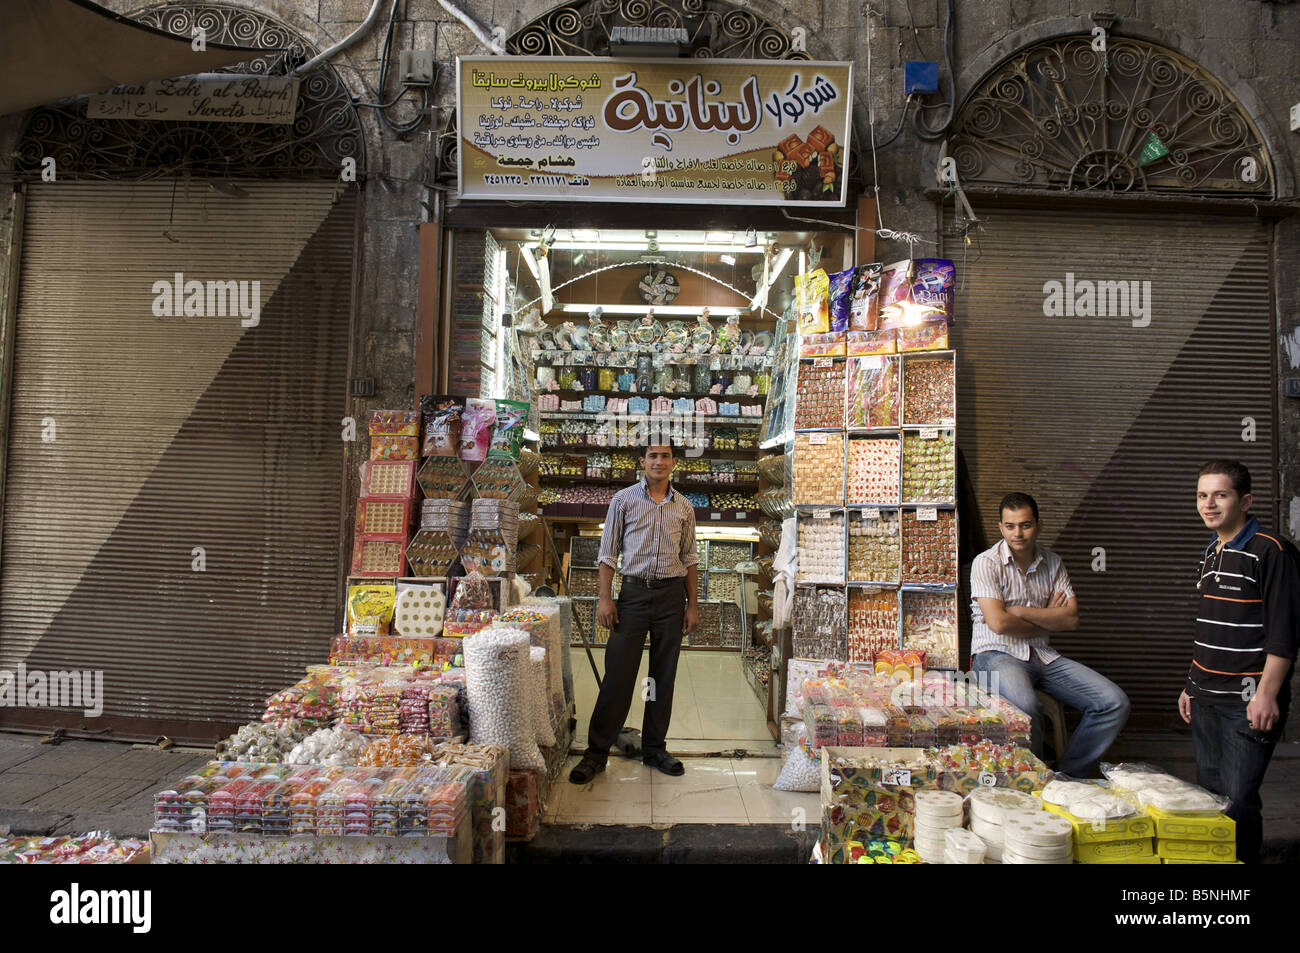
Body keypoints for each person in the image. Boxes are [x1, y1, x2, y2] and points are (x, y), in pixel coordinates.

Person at [1179, 459, 1300, 864]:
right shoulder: (1213, 549)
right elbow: (1215, 626)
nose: (1208, 504)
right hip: (1205, 698)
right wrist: (1191, 685)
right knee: (1209, 795)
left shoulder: (1273, 552)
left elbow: (1284, 634)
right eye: (1202, 495)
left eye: (1220, 495)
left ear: (1245, 500)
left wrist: (1267, 695)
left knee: (1237, 799)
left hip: (1246, 703)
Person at [969, 492, 1130, 777]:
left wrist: (1018, 611)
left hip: (1043, 656)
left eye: (1025, 525)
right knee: (1027, 709)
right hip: (995, 655)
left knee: (1113, 702)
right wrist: (1047, 619)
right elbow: (999, 625)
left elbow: (1070, 620)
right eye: (1010, 526)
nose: (1017, 533)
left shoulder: (1053, 563)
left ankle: (1067, 776)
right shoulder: (986, 562)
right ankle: (1034, 781)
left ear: (1039, 526)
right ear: (1001, 527)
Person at [569, 443, 699, 783]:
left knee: (661, 676)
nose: (659, 461)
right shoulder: (623, 501)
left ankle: (655, 748)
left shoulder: (684, 507)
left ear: (673, 463)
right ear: (642, 462)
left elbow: (690, 560)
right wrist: (605, 598)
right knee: (619, 676)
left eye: (665, 456)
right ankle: (596, 752)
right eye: (652, 456)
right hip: (634, 595)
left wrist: (693, 605)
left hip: (671, 598)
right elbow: (608, 554)